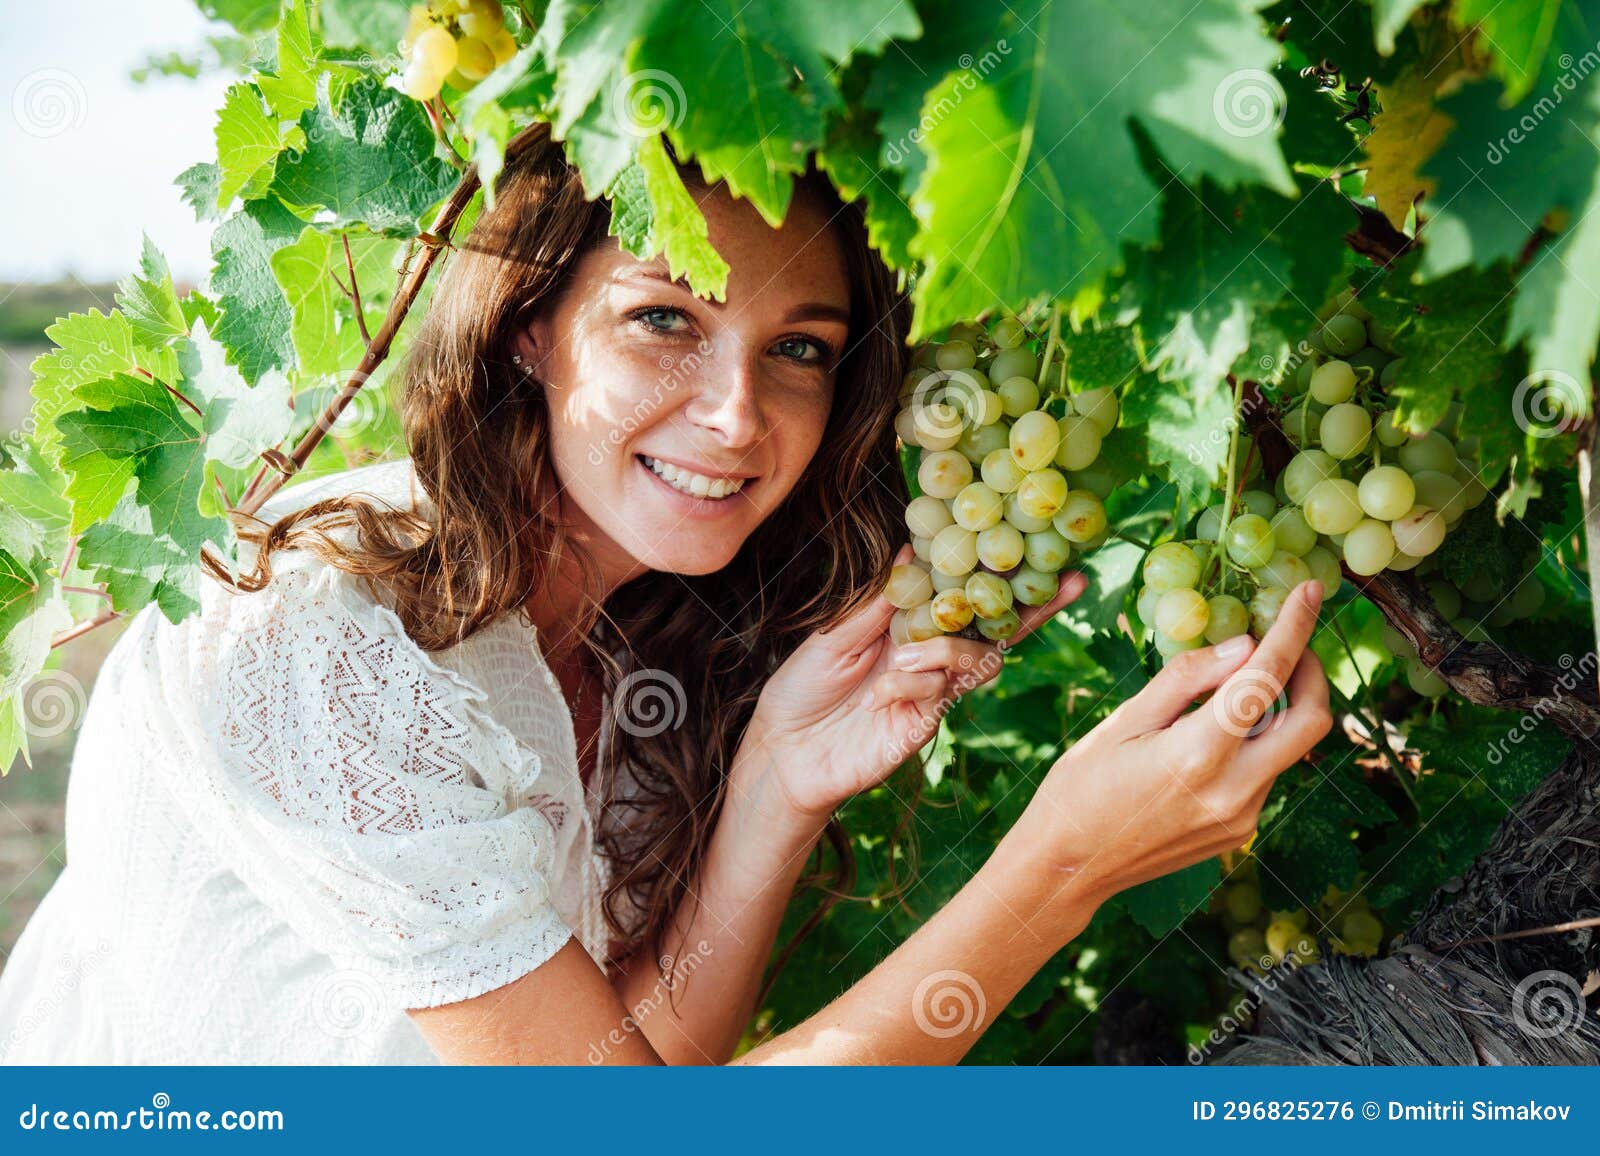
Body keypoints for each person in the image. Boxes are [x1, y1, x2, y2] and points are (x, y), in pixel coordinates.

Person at [0, 125, 1330, 1065]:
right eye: (665, 321)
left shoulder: (649, 645)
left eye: (798, 350)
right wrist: (1062, 870)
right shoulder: (321, 630)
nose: (738, 414)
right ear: (531, 327)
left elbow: (645, 1060)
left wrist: (776, 782)